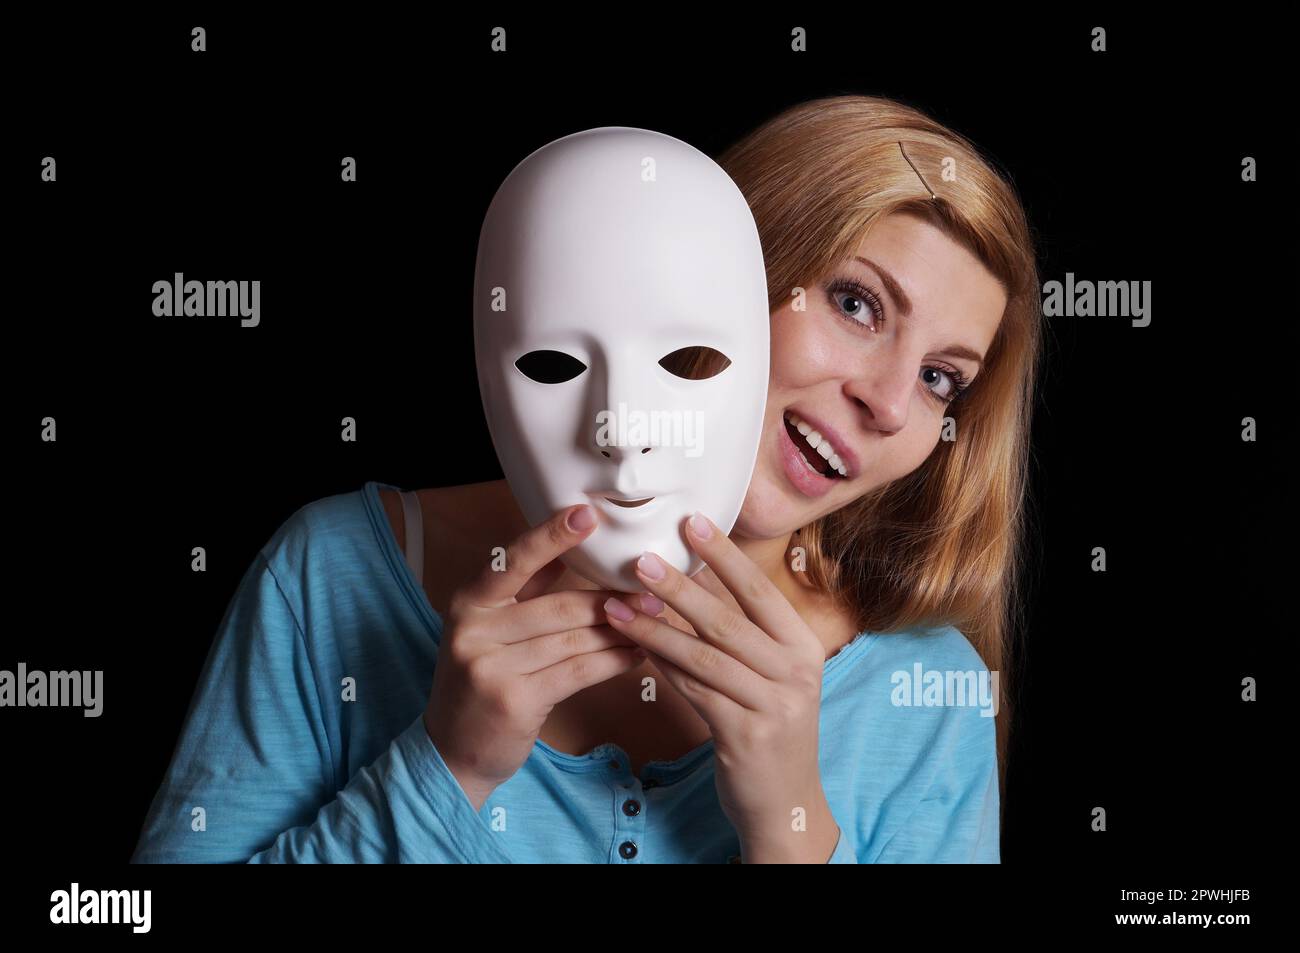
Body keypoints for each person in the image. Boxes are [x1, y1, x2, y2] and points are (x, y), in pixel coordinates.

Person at [131, 95, 1040, 863]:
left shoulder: (927, 696)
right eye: (856, 304)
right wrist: (441, 771)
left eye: (939, 379)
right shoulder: (331, 578)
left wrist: (789, 822)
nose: (888, 402)